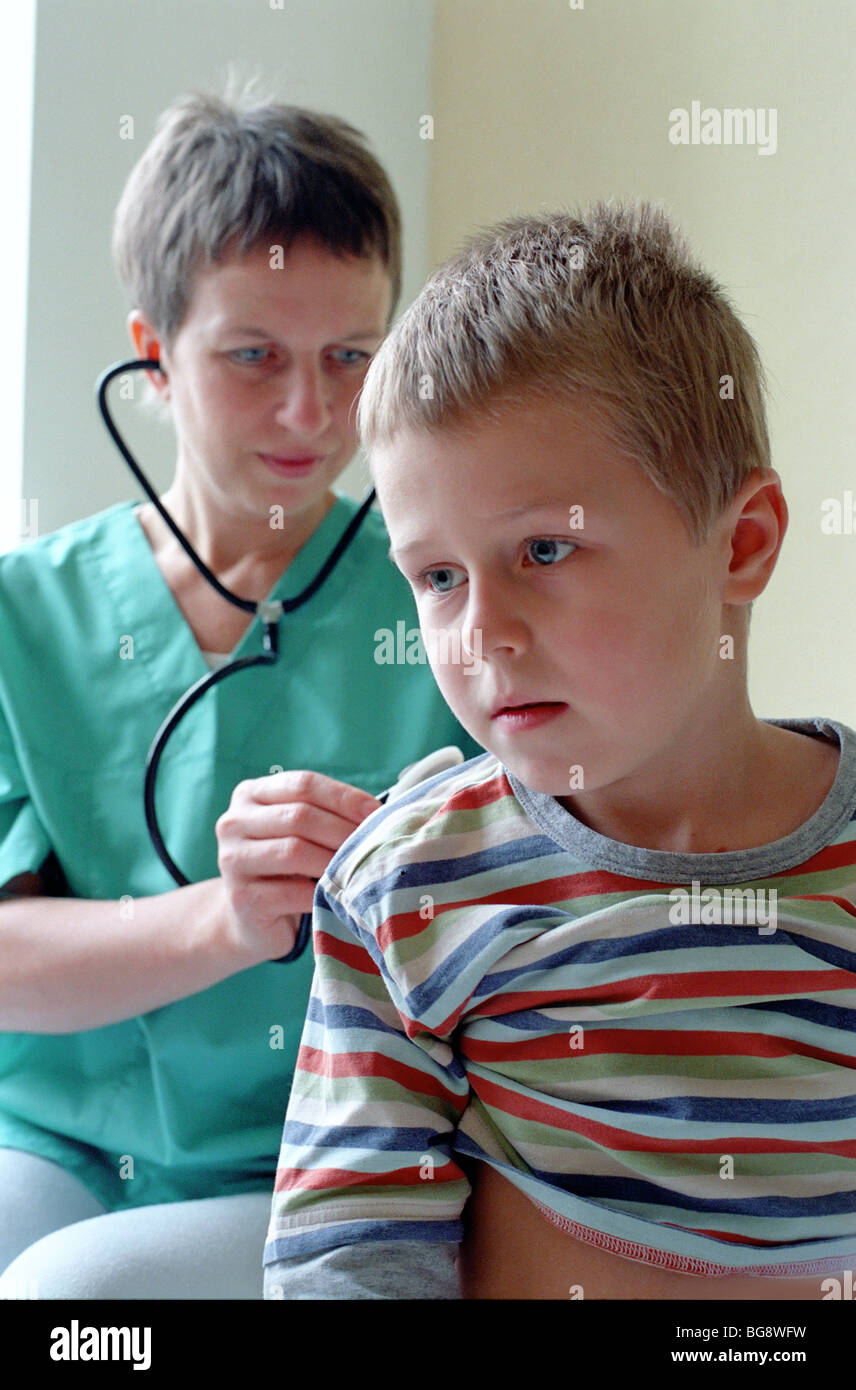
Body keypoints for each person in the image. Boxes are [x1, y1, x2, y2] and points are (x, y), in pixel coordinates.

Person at [262, 201, 856, 1300]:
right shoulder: (407, 886)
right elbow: (351, 1263)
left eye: (544, 548)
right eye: (436, 576)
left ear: (741, 543)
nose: (479, 633)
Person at [0, 90, 481, 1299]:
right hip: (55, 1140)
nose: (310, 415)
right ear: (154, 352)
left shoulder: (444, 603)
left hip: (318, 1153)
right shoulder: (24, 612)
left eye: (349, 359)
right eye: (254, 356)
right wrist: (230, 917)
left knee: (71, 1301)